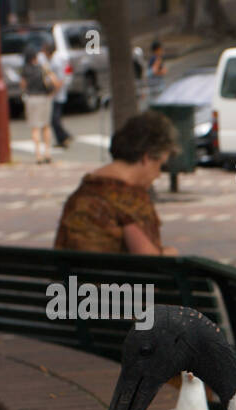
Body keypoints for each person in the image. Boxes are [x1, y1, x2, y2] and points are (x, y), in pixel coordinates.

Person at [54, 111, 180, 255]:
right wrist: (169, 253)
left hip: (72, 278)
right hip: (112, 278)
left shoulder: (81, 193)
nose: (158, 175)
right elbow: (148, 260)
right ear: (146, 158)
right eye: (160, 165)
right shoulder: (131, 201)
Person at [20, 48, 55, 165]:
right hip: (44, 97)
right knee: (46, 126)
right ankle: (48, 153)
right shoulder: (42, 68)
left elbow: (23, 85)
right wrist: (52, 93)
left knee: (35, 128)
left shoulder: (24, 70)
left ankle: (38, 155)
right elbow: (54, 81)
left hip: (31, 99)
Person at [45, 38, 71, 149]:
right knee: (54, 118)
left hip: (58, 94)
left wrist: (53, 92)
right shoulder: (52, 60)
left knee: (54, 118)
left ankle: (64, 136)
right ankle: (63, 138)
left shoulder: (56, 62)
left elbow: (60, 81)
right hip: (56, 93)